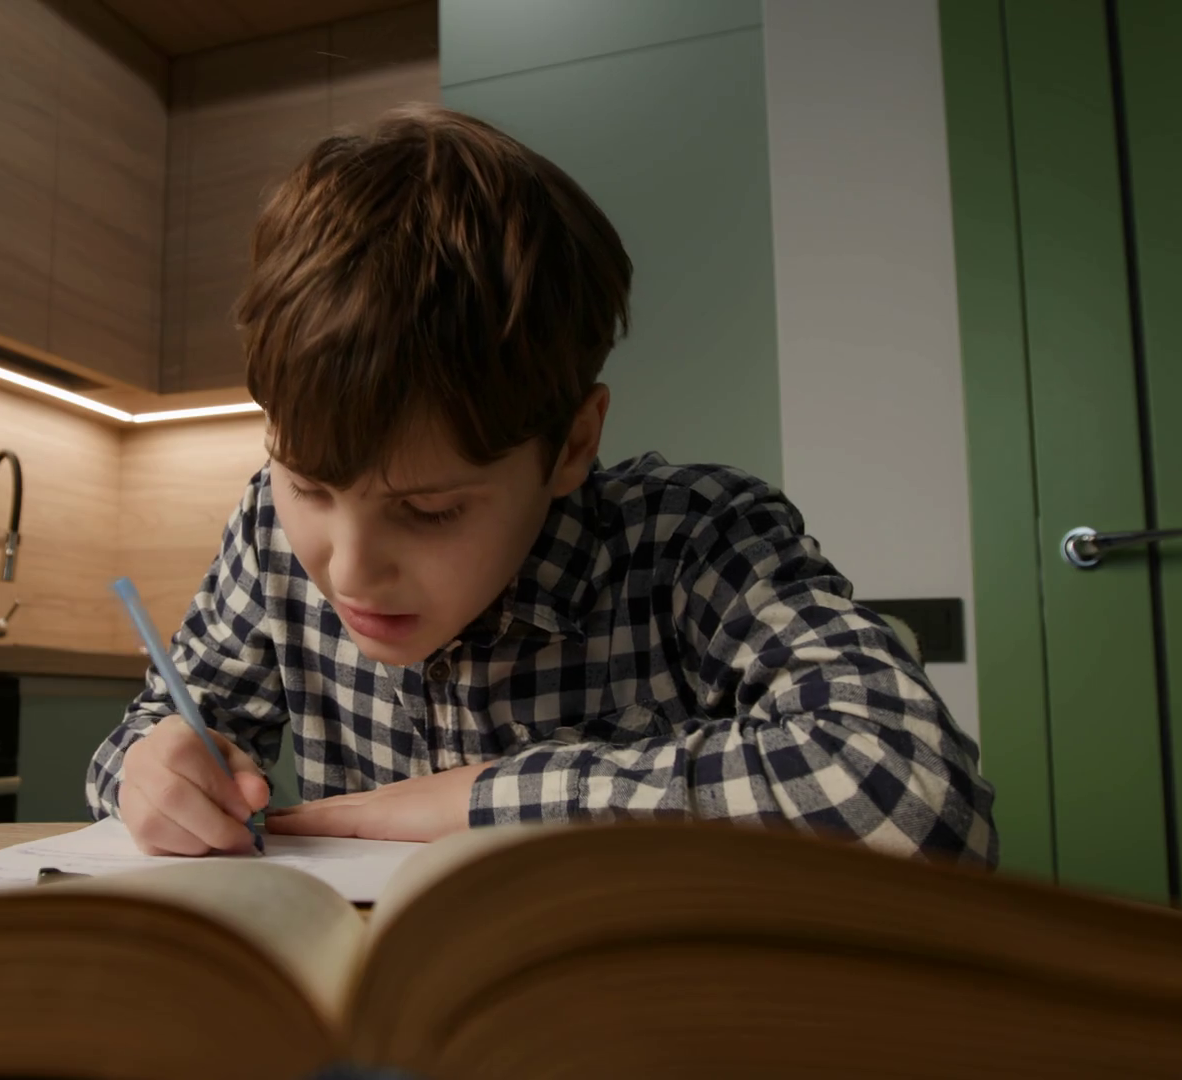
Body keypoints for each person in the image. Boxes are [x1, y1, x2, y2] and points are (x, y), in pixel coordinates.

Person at [86, 105, 995, 865]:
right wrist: (153, 770)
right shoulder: (268, 533)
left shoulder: (694, 539)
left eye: (432, 509)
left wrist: (490, 801)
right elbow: (153, 737)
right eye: (310, 486)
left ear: (572, 444)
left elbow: (914, 794)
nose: (351, 573)